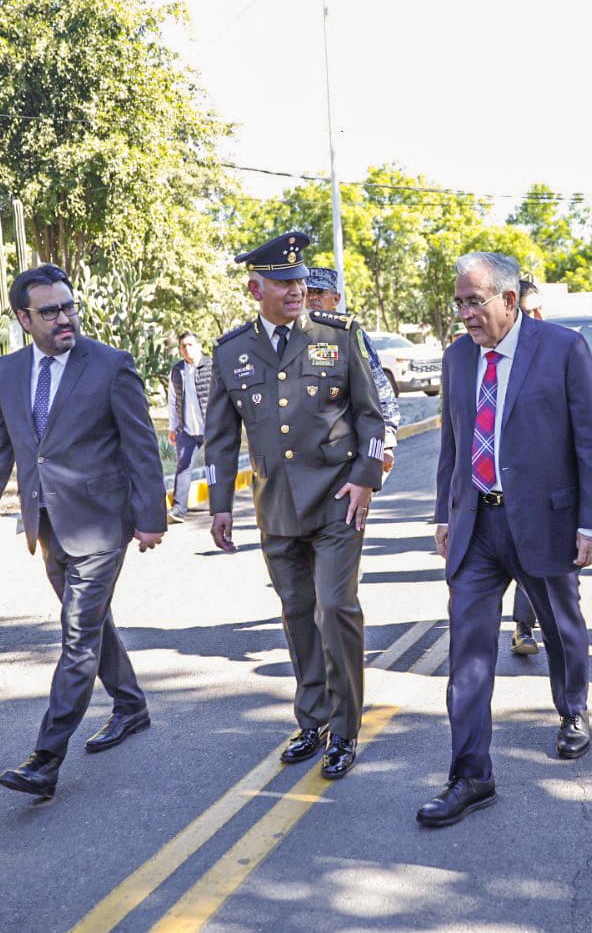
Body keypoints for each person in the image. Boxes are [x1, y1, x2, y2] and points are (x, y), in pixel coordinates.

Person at [0, 264, 166, 799]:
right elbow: (0, 449)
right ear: (24, 319)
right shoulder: (8, 371)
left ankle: (45, 760)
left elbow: (141, 446)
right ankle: (131, 704)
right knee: (93, 625)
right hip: (45, 522)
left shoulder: (111, 365)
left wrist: (150, 518)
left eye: (69, 306)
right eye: (49, 311)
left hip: (101, 524)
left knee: (76, 637)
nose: (64, 318)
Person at [420, 252, 592, 828]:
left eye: (474, 302)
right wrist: (444, 514)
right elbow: (453, 442)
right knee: (468, 653)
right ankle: (471, 774)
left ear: (508, 299)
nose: (465, 315)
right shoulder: (458, 358)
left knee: (560, 627)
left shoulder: (561, 349)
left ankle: (573, 708)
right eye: (459, 304)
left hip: (544, 521)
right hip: (477, 523)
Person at [205, 233, 386, 780]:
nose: (296, 290)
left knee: (336, 611)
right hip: (276, 505)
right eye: (283, 282)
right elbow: (219, 440)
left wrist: (365, 479)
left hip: (336, 501)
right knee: (298, 615)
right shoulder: (231, 352)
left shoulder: (338, 336)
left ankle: (346, 728)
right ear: (255, 287)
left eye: (300, 280)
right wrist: (219, 506)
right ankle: (313, 719)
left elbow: (370, 416)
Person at [303, 266, 401, 478]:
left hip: (344, 455)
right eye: (308, 292)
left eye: (319, 293)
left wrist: (387, 441)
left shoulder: (348, 335)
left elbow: (378, 386)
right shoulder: (290, 337)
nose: (312, 298)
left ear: (336, 298)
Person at [510, 278, 545, 654]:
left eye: (538, 309)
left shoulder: (554, 348)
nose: (536, 317)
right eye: (528, 310)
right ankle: (523, 628)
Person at [166, 332, 213, 524]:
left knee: (214, 467)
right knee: (183, 468)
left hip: (211, 428)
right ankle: (178, 510)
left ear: (199, 345)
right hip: (186, 430)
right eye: (183, 346)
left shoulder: (212, 366)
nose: (187, 349)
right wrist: (172, 427)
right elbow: (172, 400)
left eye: (191, 344)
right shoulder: (177, 370)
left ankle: (219, 506)